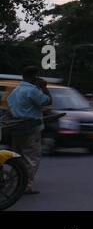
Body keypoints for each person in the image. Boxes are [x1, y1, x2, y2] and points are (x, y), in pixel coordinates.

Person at [6, 66, 51, 194]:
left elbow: (10, 107)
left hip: (16, 127)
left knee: (17, 157)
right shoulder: (33, 91)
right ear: (34, 76)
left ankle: (15, 182)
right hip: (31, 127)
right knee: (31, 158)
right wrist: (44, 87)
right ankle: (26, 186)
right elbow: (47, 101)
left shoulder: (15, 91)